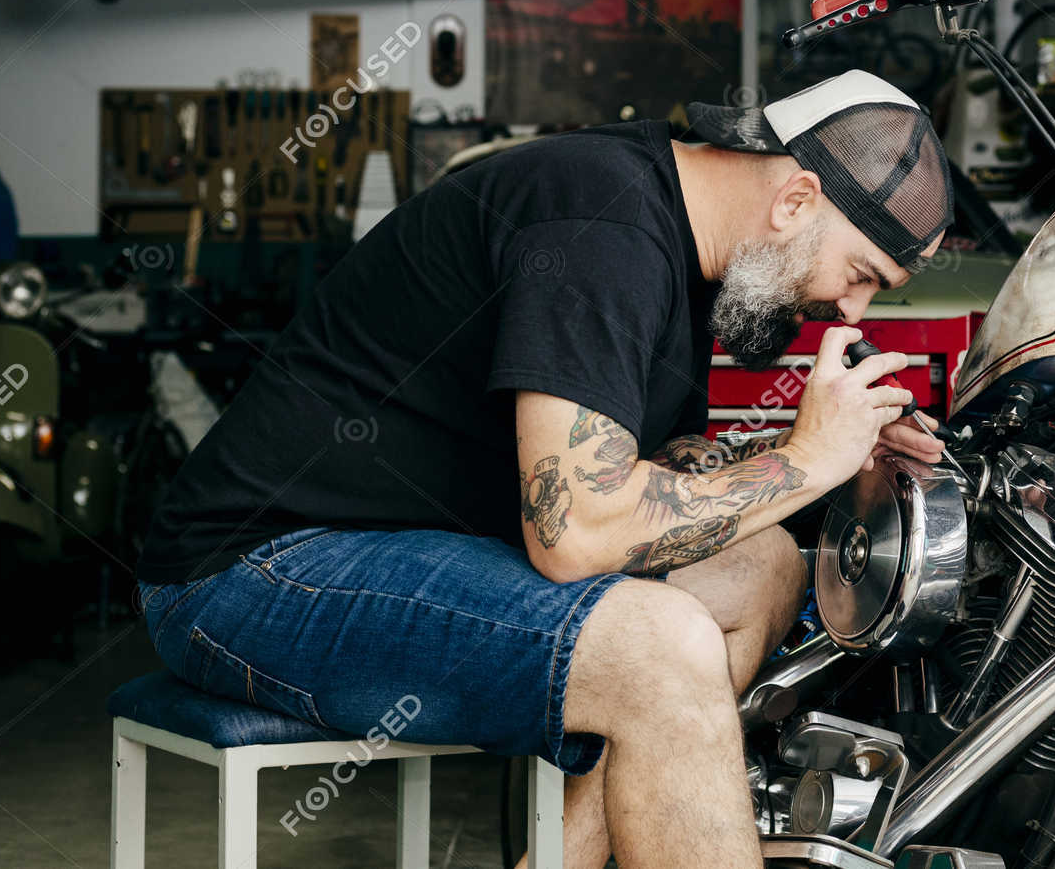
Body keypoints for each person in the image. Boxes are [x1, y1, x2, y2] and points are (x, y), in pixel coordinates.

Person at [134, 69, 954, 867]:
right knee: (659, 649)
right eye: (859, 276)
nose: (853, 312)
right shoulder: (600, 221)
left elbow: (656, 473)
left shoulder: (682, 241)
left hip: (398, 550)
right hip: (248, 573)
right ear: (796, 200)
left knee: (760, 568)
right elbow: (579, 532)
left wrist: (831, 458)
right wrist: (809, 462)